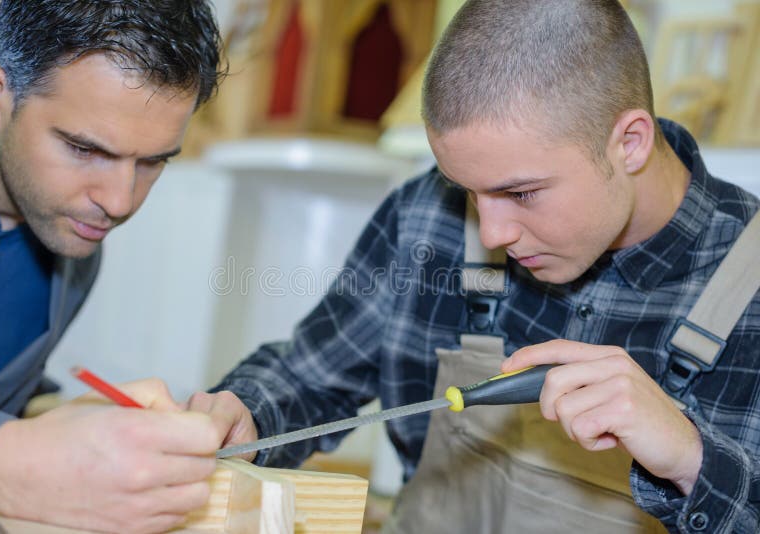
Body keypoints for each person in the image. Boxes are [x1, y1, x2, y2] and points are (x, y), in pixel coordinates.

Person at [206, 1, 760, 532]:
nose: (491, 233)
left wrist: (692, 461)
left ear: (630, 143)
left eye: (520, 194)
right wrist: (244, 413)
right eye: (468, 192)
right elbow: (307, 378)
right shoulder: (428, 217)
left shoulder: (749, 283)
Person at [0, 1, 247, 532]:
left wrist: (76, 427)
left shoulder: (72, 239)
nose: (119, 201)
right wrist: (13, 460)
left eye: (153, 161)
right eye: (83, 148)